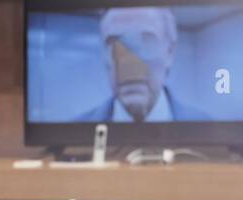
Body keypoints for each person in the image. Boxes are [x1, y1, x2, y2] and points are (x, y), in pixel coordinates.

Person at [76, 7, 210, 123]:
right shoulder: (76, 132)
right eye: (114, 43)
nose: (130, 62)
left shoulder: (208, 128)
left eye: (147, 41)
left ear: (169, 52)